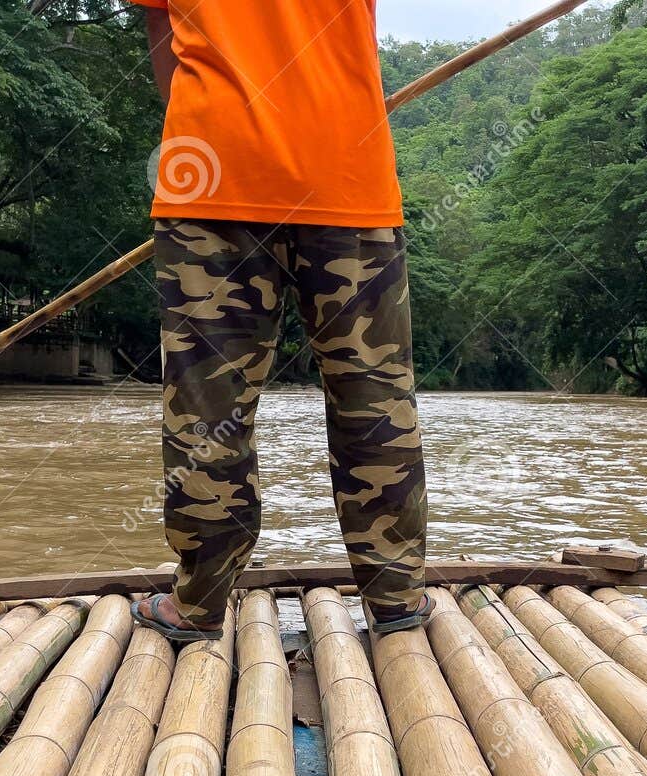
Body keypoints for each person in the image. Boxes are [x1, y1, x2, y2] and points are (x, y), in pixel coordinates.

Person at [130, 0, 431, 643]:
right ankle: (397, 599)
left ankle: (200, 604)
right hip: (345, 169)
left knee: (208, 404)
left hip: (213, 171)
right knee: (374, 397)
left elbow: (164, 32)